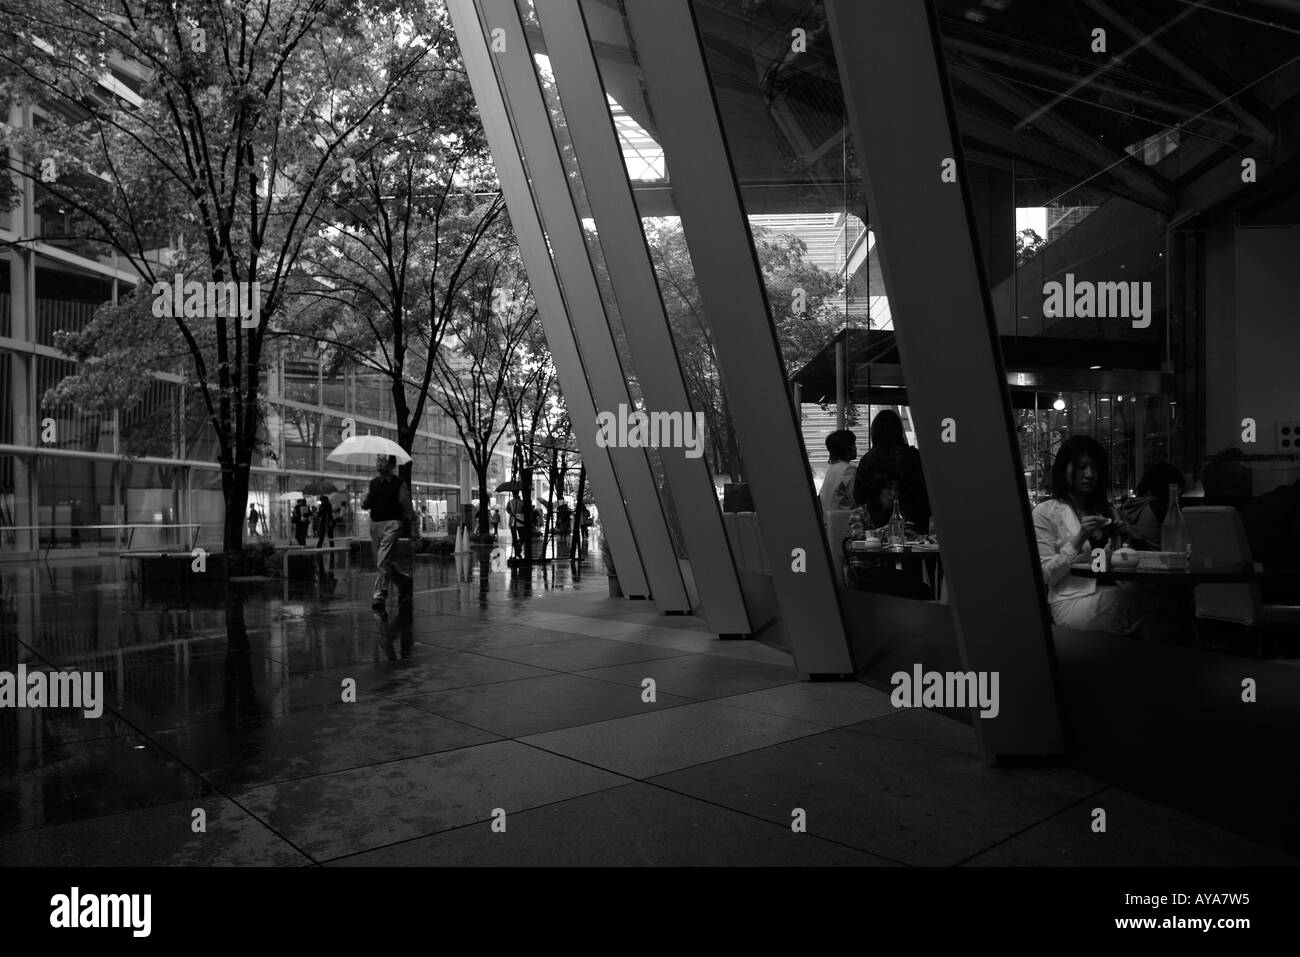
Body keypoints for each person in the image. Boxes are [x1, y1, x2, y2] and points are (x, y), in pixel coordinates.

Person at [1032, 435, 1164, 635]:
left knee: (1165, 598)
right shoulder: (1045, 512)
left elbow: (1102, 566)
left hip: (1111, 589)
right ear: (1063, 469)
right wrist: (1079, 539)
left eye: (1095, 468)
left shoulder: (1106, 511)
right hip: (1071, 600)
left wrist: (1125, 539)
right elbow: (1047, 576)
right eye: (1081, 467)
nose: (1089, 474)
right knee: (1152, 601)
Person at [853, 410, 930, 535]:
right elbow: (923, 492)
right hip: (915, 522)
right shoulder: (913, 456)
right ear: (899, 431)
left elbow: (859, 496)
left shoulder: (868, 459)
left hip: (875, 526)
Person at [362, 455, 414, 610]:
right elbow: (366, 505)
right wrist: (365, 502)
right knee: (382, 562)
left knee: (382, 560)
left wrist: (413, 525)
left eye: (383, 461)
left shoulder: (399, 484)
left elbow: (406, 505)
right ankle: (404, 582)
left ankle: (379, 595)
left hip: (393, 524)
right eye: (377, 461)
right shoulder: (373, 483)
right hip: (376, 524)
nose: (379, 464)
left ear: (392, 465)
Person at [1121, 463, 1185, 550]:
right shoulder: (1158, 507)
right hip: (1160, 559)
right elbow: (1178, 540)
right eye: (1177, 493)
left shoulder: (1128, 506)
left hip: (1133, 559)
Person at [819, 429, 858, 513]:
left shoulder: (831, 468)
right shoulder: (849, 470)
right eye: (853, 444)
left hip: (828, 521)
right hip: (845, 521)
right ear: (845, 449)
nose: (855, 448)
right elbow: (855, 501)